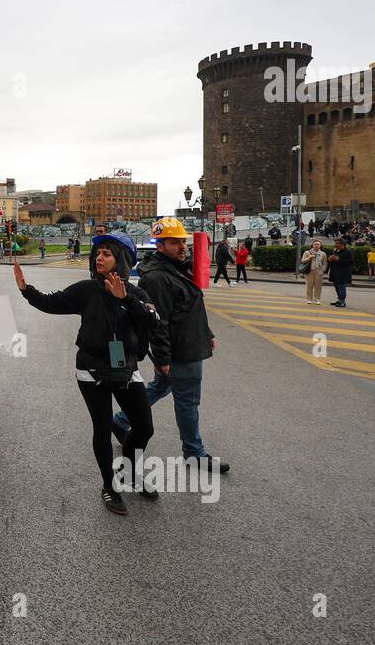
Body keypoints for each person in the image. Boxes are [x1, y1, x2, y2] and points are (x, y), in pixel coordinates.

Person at [13, 233, 158, 515]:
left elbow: (153, 321)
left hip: (126, 369)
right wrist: (26, 289)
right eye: (97, 253)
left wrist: (126, 299)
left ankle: (129, 472)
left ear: (122, 260)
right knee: (103, 430)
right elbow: (51, 302)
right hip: (91, 370)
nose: (98, 257)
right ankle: (109, 486)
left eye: (106, 253)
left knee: (144, 427)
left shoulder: (136, 293)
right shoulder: (87, 290)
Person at [113, 217, 229, 474]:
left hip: (190, 342)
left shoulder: (177, 269)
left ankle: (121, 419)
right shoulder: (157, 278)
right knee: (188, 402)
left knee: (161, 386)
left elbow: (192, 307)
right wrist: (163, 359)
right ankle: (193, 453)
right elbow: (158, 323)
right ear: (160, 245)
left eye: (183, 242)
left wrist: (206, 332)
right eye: (174, 242)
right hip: (181, 351)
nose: (181, 247)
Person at [300, 239, 329, 304]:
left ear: (320, 245)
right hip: (309, 271)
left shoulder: (323, 254)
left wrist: (323, 270)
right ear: (312, 245)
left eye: (318, 244)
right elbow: (302, 261)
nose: (316, 245)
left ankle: (317, 299)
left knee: (318, 286)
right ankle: (309, 299)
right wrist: (309, 257)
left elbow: (325, 263)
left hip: (319, 271)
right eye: (315, 244)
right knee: (309, 285)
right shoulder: (307, 252)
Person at [328, 238, 353, 307]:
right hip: (335, 272)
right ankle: (339, 299)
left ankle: (342, 301)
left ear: (342, 244)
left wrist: (338, 259)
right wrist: (330, 259)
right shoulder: (336, 250)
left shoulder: (347, 252)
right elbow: (333, 260)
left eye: (337, 243)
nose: (335, 245)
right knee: (337, 286)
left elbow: (349, 263)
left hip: (343, 273)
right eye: (335, 243)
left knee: (341, 287)